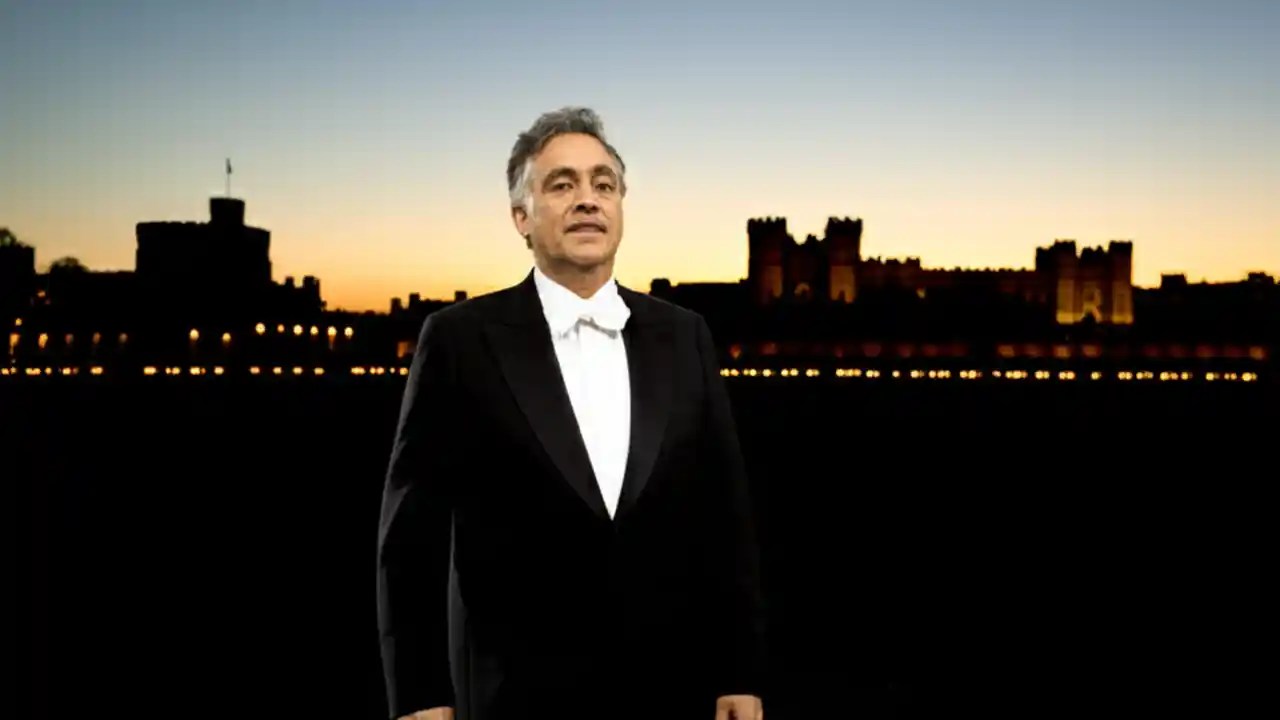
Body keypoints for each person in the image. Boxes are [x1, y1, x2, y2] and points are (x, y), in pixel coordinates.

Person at [376, 106, 766, 720]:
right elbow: (411, 538)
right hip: (513, 697)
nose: (588, 199)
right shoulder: (459, 339)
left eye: (603, 184)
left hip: (670, 688)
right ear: (521, 217)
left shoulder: (684, 334)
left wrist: (739, 673)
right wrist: (421, 699)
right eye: (562, 184)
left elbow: (725, 517)